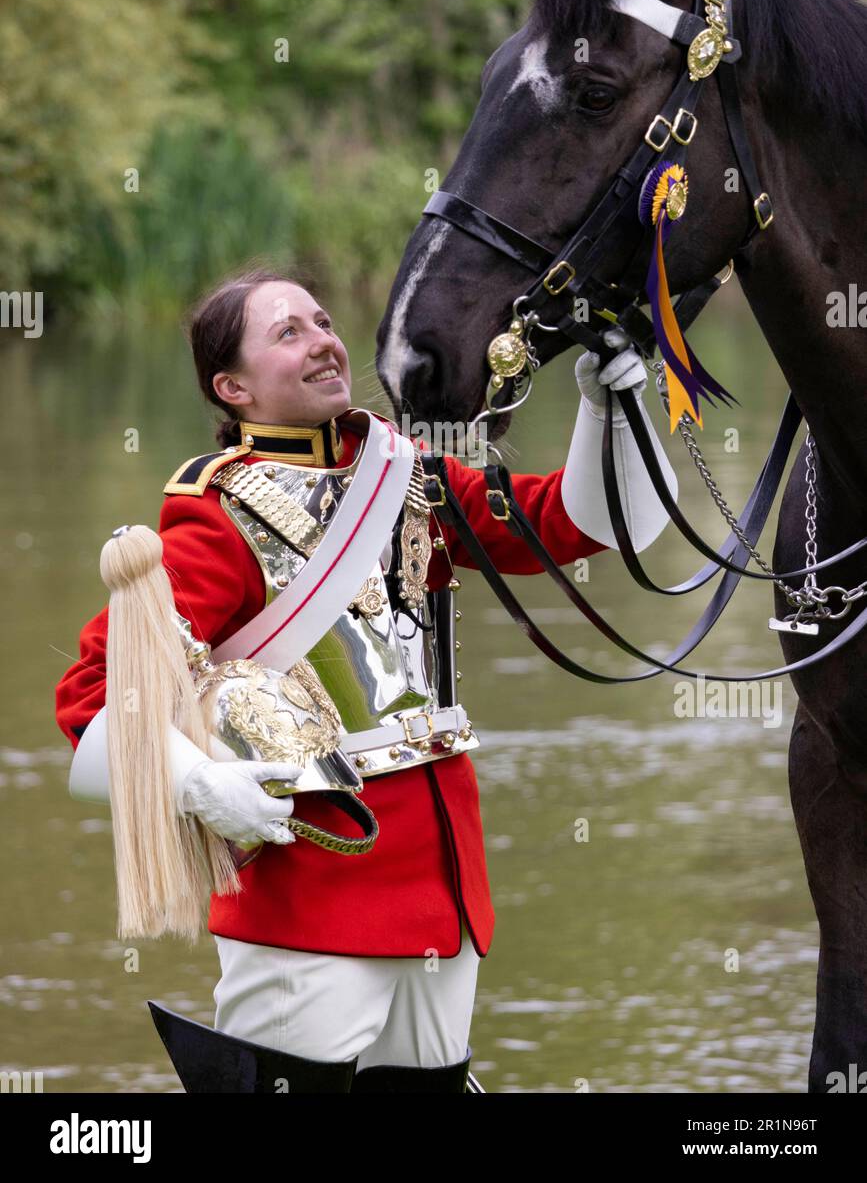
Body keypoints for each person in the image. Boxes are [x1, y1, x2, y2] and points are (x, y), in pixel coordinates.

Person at [55, 264, 678, 1093]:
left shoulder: (406, 472)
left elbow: (573, 526)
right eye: (288, 332)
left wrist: (612, 405)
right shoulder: (213, 515)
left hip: (443, 889)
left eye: (320, 320)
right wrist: (201, 785)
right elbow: (96, 699)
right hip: (310, 892)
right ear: (231, 386)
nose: (322, 340)